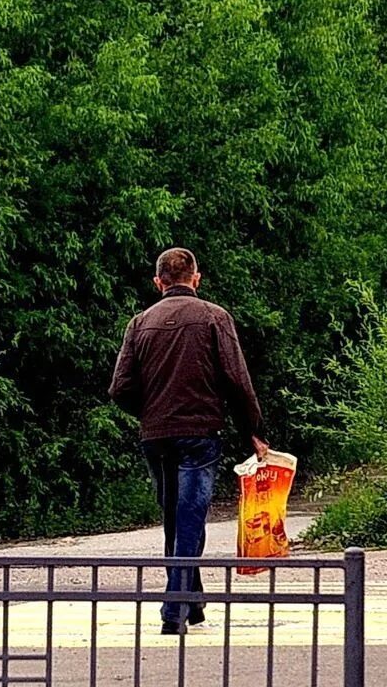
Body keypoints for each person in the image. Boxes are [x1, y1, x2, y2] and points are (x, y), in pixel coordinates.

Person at [109, 247, 268, 636]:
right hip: (199, 434)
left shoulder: (139, 323)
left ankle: (192, 605)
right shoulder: (215, 317)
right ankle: (174, 610)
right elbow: (235, 377)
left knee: (175, 518)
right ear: (195, 279)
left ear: (158, 282)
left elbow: (120, 388)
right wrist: (254, 429)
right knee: (191, 516)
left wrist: (149, 413)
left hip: (156, 436)